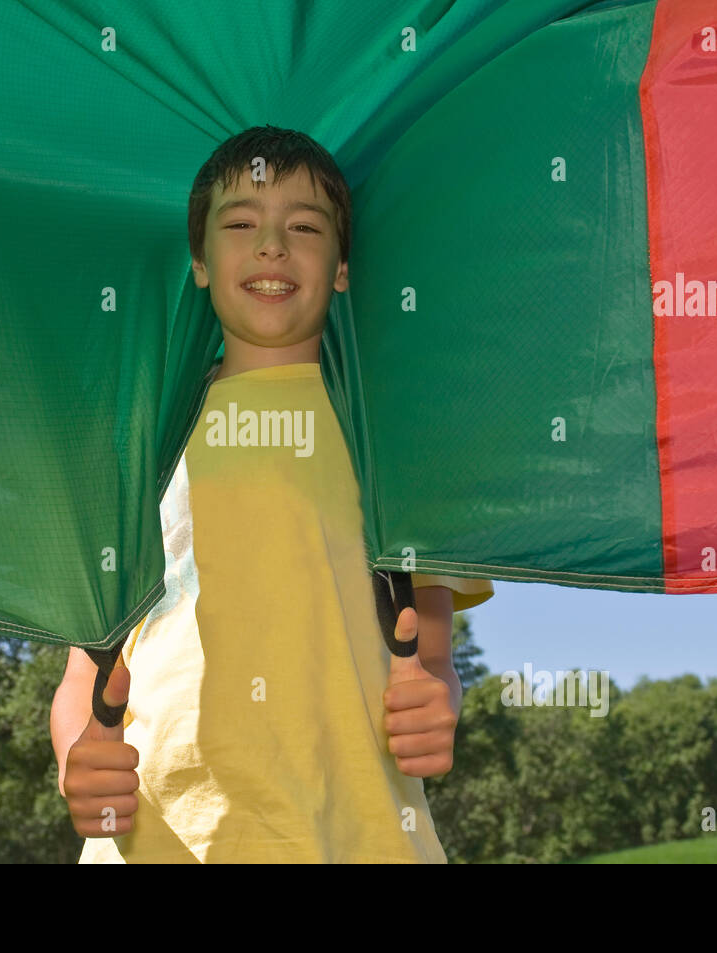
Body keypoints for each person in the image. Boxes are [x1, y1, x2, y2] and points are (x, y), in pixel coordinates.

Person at [50, 125, 493, 863]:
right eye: (241, 223)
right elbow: (80, 674)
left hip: (364, 836)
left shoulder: (400, 442)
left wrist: (439, 699)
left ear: (344, 265)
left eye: (306, 226)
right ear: (198, 260)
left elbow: (435, 656)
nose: (272, 246)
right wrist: (75, 756)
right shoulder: (137, 443)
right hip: (160, 838)